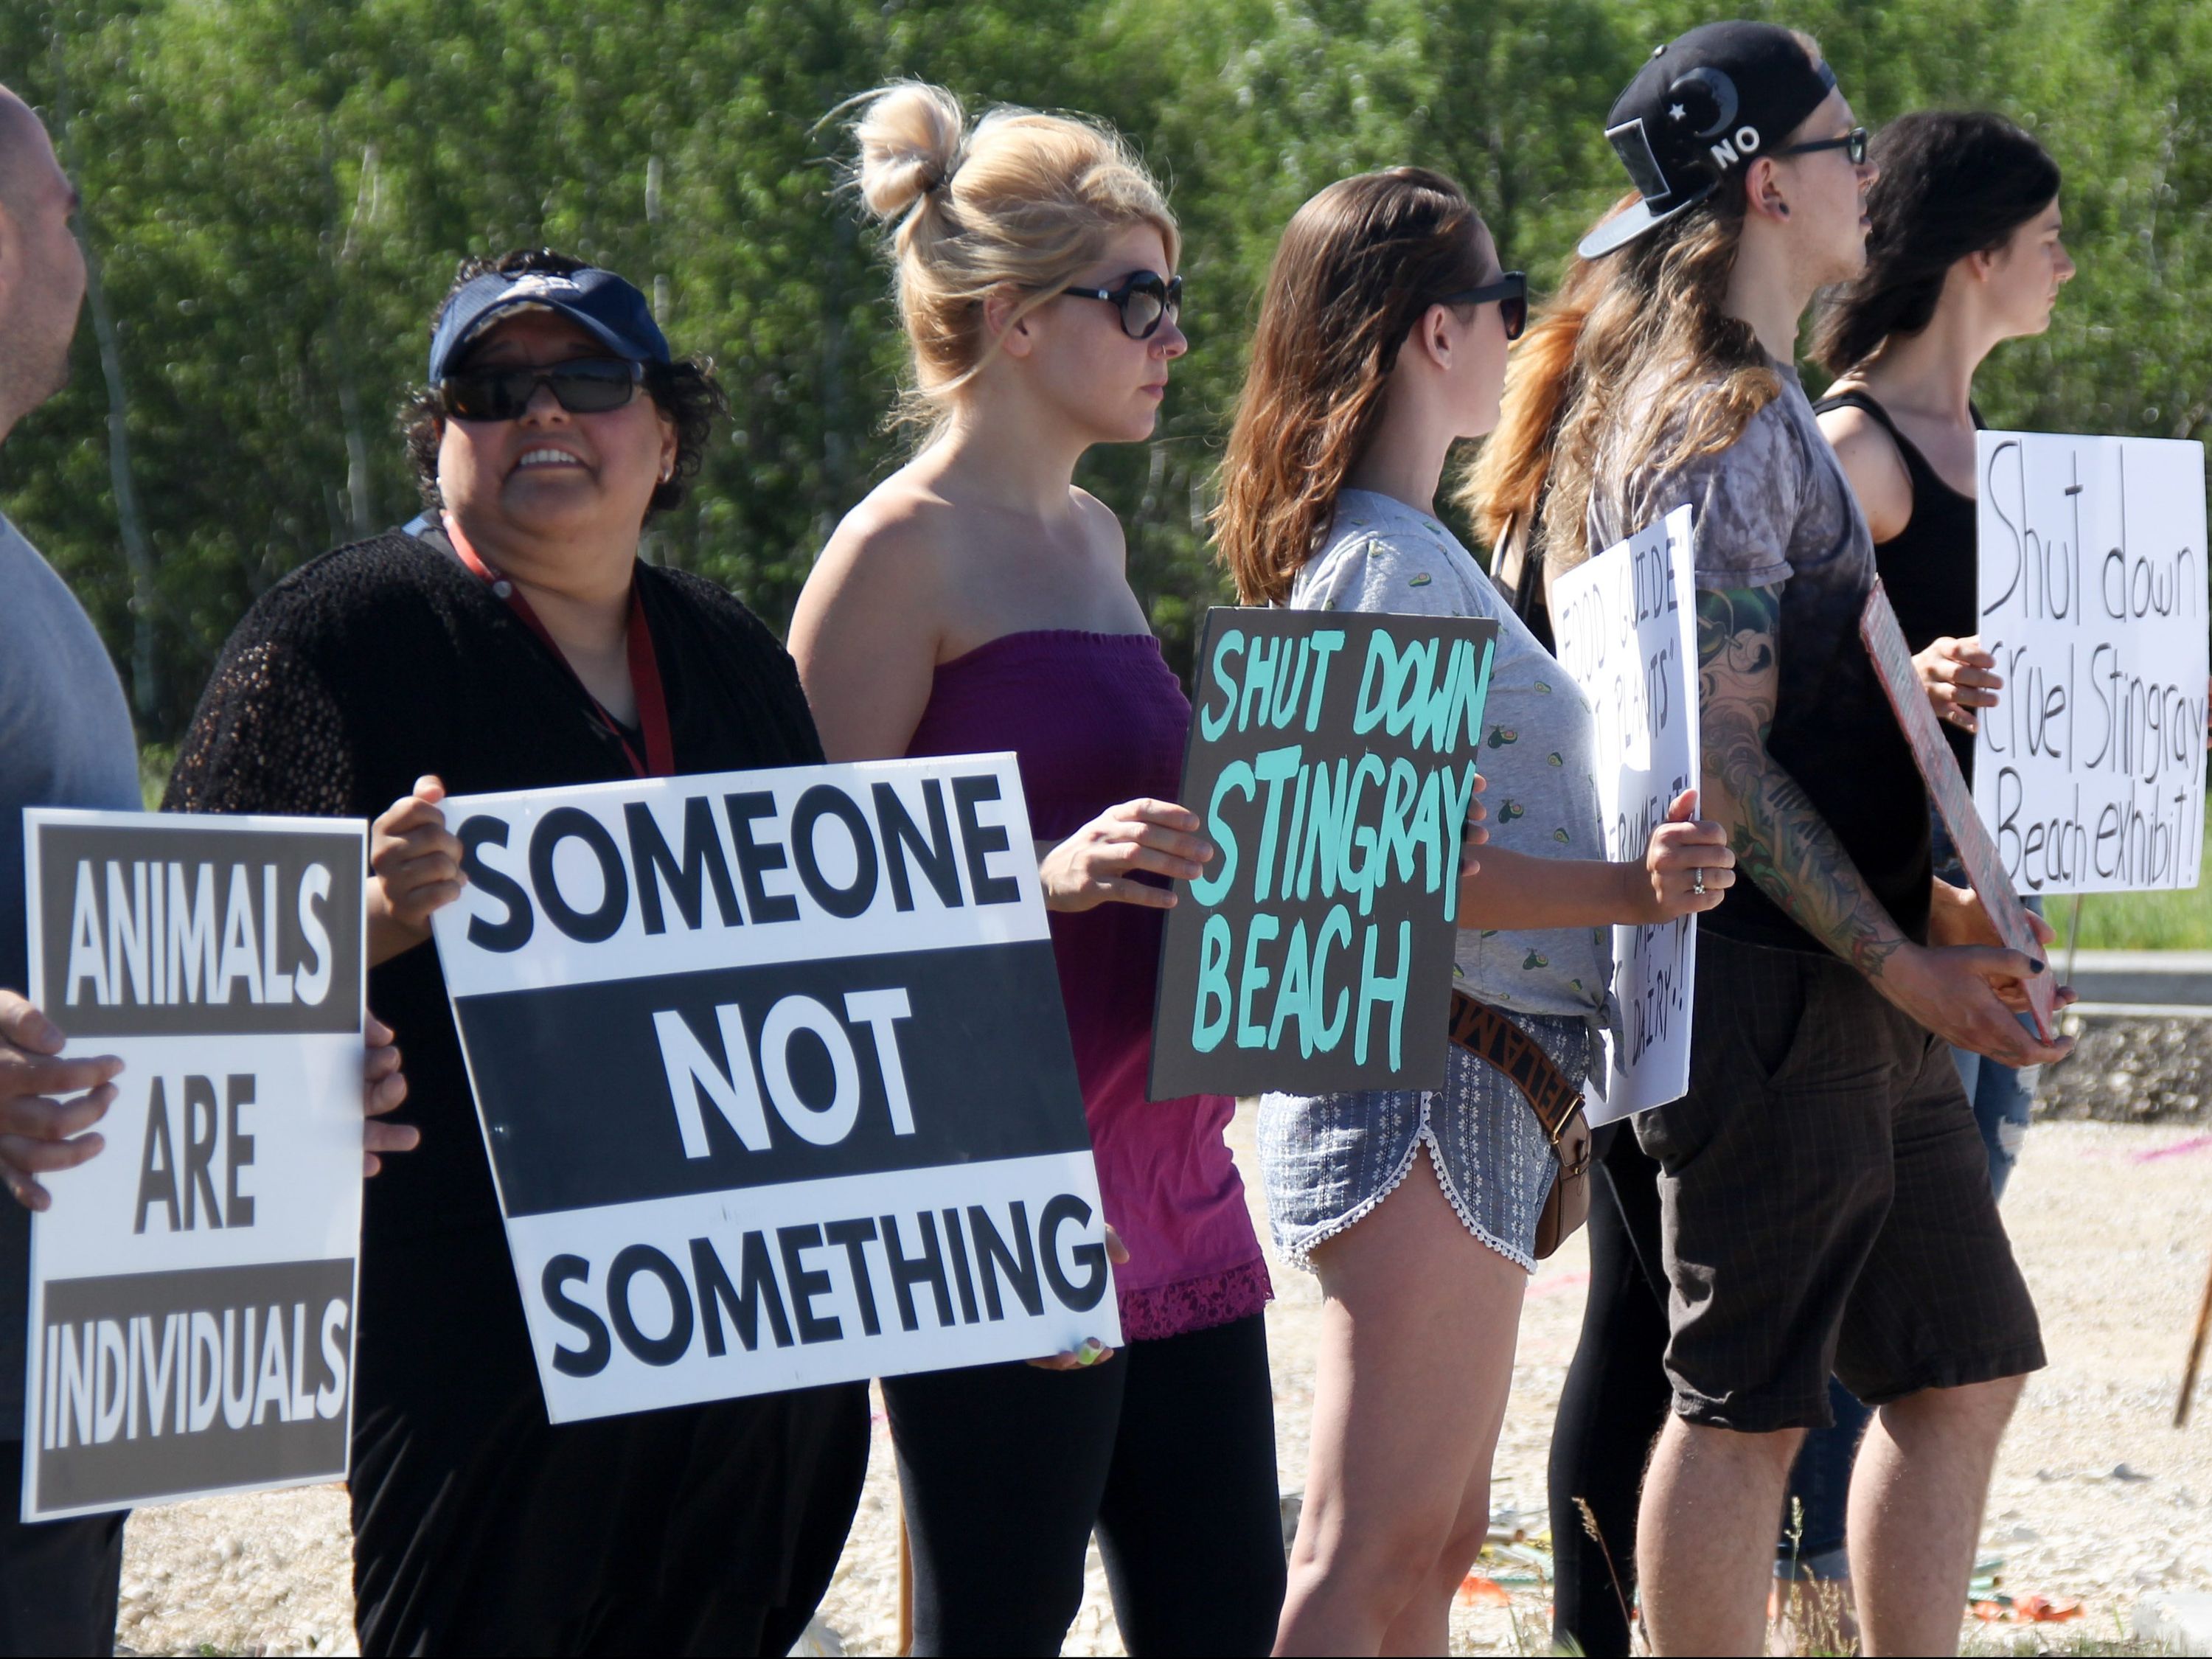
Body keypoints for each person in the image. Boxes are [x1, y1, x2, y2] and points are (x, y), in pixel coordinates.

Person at [162, 249, 869, 1656]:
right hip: (481, 1352)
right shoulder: (339, 634)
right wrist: (358, 916)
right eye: (495, 388)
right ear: (440, 440)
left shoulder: (732, 652)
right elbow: (172, 965)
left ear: (666, 435)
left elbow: (844, 978)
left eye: (590, 380)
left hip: (746, 1351)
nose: (544, 414)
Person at [1499, 21, 2071, 1655]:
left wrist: (1945, 927)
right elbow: (1725, 756)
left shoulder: (1705, 400)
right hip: (1777, 989)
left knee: (1963, 1366)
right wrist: (1906, 956)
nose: (1870, 167)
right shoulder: (1727, 421)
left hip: (1847, 985)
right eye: (1847, 141)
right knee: (1745, 1409)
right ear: (1768, 188)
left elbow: (1811, 714)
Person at [789, 83, 1285, 1655]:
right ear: (1013, 320)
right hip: (1000, 1201)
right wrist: (1038, 878)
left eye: (1176, 300)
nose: (1172, 337)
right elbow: (795, 901)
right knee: (997, 1625)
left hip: (1178, 1180)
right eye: (1136, 298)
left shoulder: (1098, 544)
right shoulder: (893, 553)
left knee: (1221, 1619)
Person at [1211, 167, 1732, 1658]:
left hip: (1463, 1080)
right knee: (1368, 1551)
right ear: (1434, 337)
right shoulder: (1381, 568)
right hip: (1426, 1080)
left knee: (1426, 1549)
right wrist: (1639, 890)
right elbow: (1403, 886)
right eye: (1503, 303)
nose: (1519, 327)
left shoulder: (1392, 554)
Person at [0, 86, 412, 1658]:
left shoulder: (24, 564)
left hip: (48, 1395)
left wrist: (279, 1045)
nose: (80, 252)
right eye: (65, 211)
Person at [1774, 108, 2075, 1615]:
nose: (2069, 267)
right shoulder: (1855, 456)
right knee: (1862, 1304)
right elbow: (1781, 722)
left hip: (1991, 926)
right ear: (1976, 258)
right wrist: (1913, 678)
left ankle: (1845, 1591)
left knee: (1946, 1322)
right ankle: (1809, 1582)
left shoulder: (2023, 472)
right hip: (1881, 945)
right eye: (2048, 239)